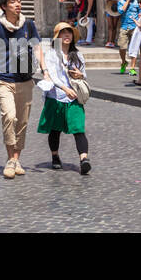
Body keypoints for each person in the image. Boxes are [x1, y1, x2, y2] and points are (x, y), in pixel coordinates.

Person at [0, 0, 41, 179]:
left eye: (19, 0)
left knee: (22, 122)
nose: (17, 4)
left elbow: (38, 46)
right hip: (3, 78)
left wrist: (46, 69)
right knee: (9, 116)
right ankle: (10, 159)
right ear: (3, 6)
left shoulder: (29, 25)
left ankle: (16, 159)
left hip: (25, 79)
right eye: (13, 1)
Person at [37, 22, 90, 174]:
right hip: (56, 96)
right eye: (63, 32)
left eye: (69, 32)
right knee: (55, 130)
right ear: (57, 37)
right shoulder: (52, 54)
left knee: (78, 128)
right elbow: (52, 75)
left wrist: (81, 75)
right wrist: (65, 89)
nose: (67, 35)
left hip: (74, 97)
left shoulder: (78, 54)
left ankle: (84, 159)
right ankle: (55, 156)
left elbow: (83, 73)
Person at [116, 0, 141, 75]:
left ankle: (132, 67)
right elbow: (121, 11)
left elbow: (139, 12)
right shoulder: (121, 2)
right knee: (122, 47)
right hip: (124, 26)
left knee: (134, 48)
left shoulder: (136, 3)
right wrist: (127, 0)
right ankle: (124, 62)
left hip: (134, 27)